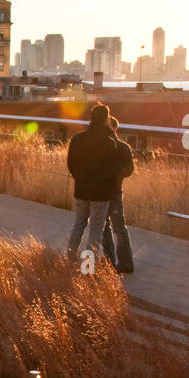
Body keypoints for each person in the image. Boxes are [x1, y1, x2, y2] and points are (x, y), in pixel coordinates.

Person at [66, 103, 121, 262]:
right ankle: (88, 266)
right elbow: (112, 171)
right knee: (95, 230)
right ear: (106, 119)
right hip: (100, 194)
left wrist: (79, 178)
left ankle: (70, 257)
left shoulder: (78, 139)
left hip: (81, 190)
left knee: (79, 224)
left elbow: (71, 164)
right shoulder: (109, 143)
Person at [101, 117, 136, 273]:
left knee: (118, 227)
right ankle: (110, 262)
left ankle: (124, 262)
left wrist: (114, 174)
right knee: (106, 228)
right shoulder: (102, 145)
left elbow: (129, 169)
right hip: (103, 192)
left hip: (114, 192)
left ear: (115, 128)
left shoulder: (122, 147)